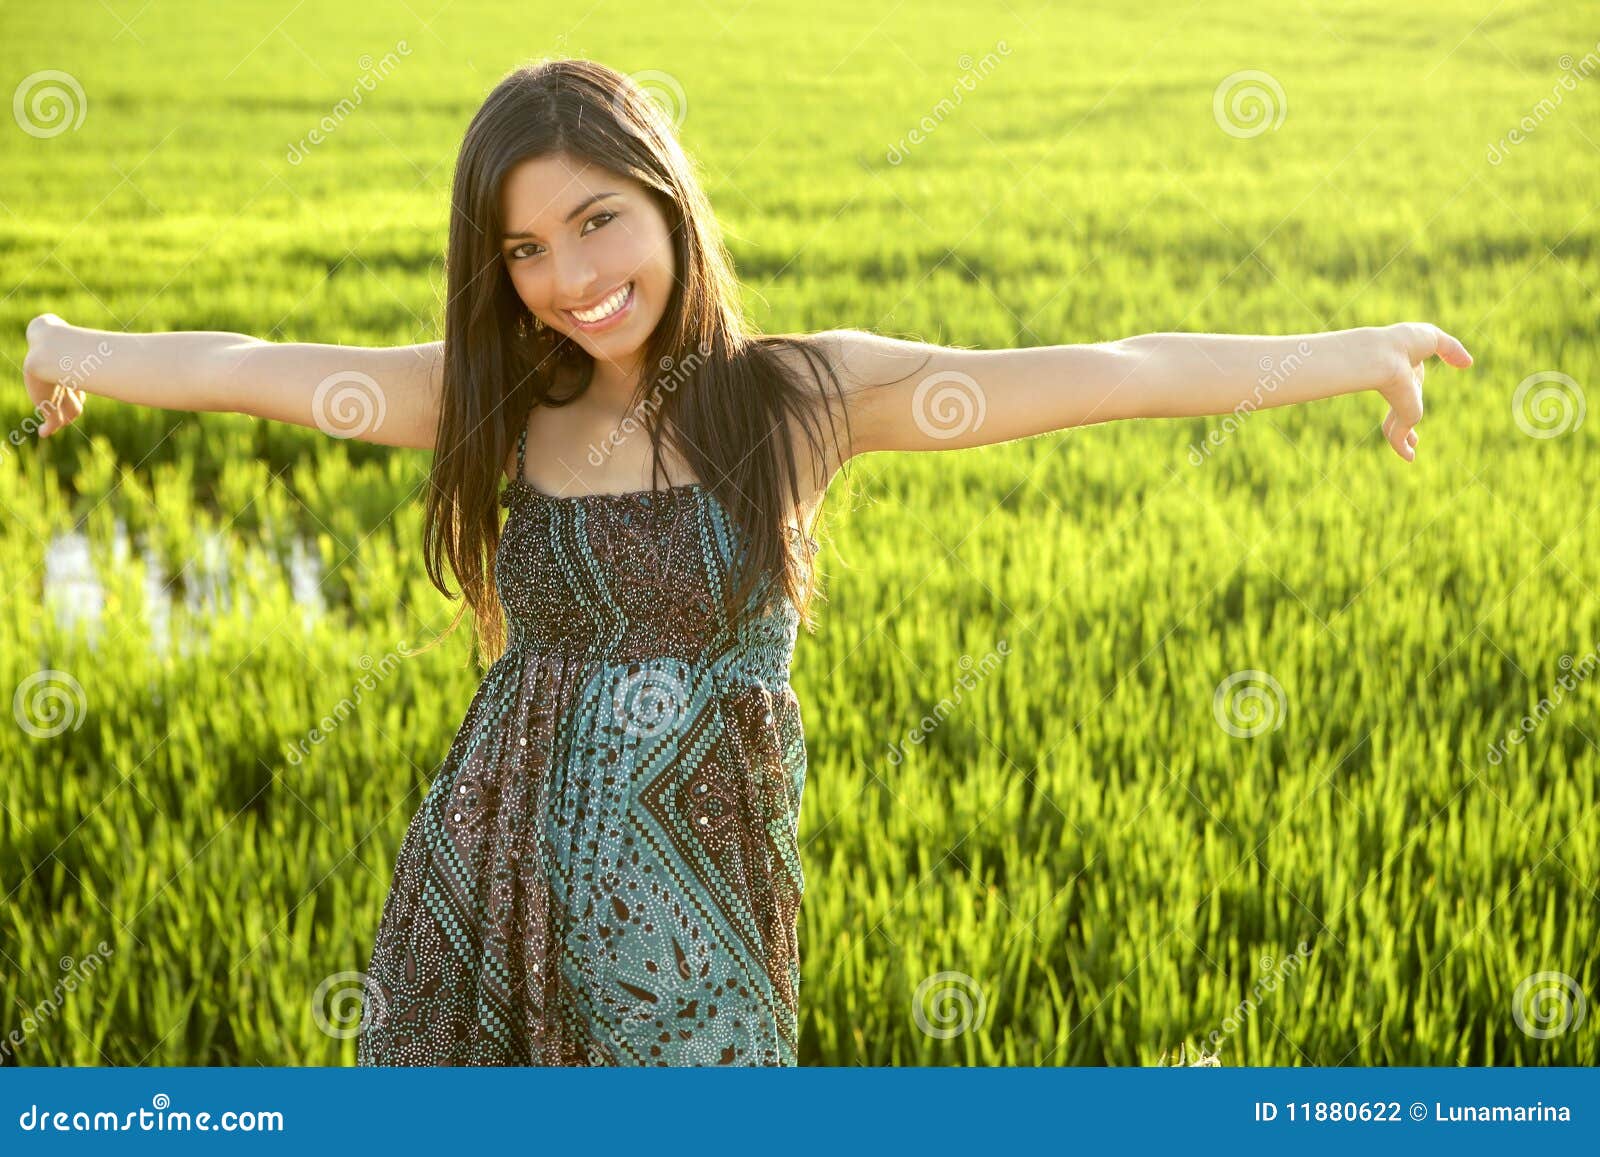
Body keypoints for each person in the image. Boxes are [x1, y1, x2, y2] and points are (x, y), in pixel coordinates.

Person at [20, 57, 1472, 1067]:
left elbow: (1115, 364)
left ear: (668, 201)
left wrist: (1358, 354)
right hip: (490, 872)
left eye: (598, 221)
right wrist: (68, 347)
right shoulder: (498, 404)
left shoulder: (793, 400)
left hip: (696, 900)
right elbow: (259, 365)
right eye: (525, 249)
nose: (573, 278)